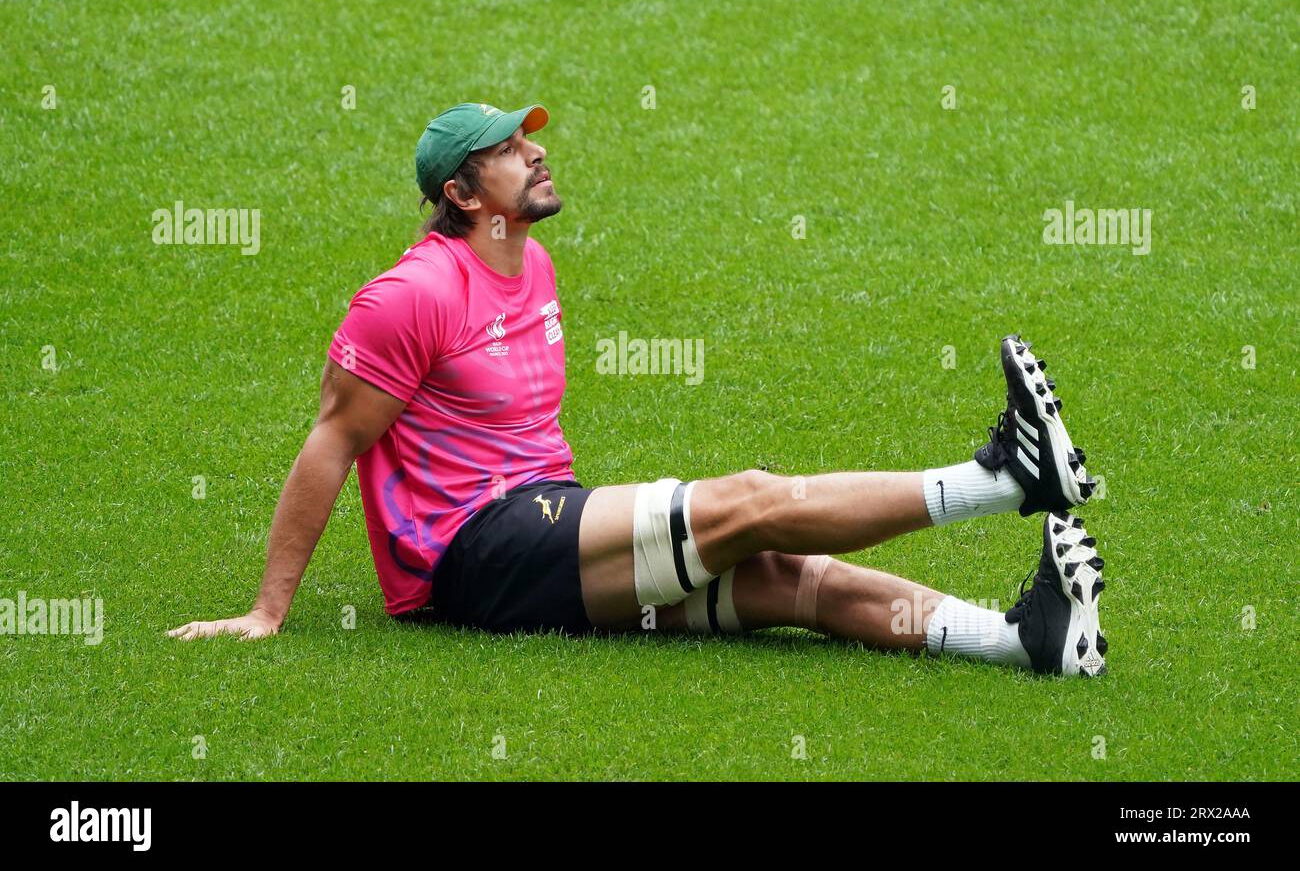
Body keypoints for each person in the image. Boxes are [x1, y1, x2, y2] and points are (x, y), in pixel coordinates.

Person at [168, 102, 1108, 678]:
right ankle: (1007, 478)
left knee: (785, 583)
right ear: (463, 193)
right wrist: (268, 610)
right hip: (471, 553)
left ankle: (1024, 639)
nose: (535, 153)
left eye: (528, 141)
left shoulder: (528, 266)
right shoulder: (410, 295)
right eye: (508, 151)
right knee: (752, 500)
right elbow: (333, 440)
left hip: (543, 517)